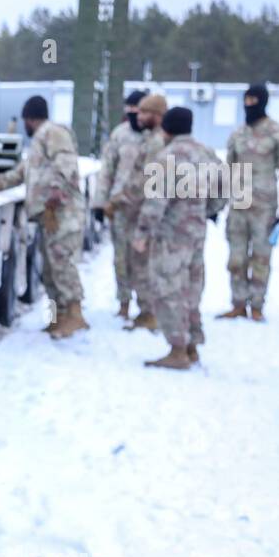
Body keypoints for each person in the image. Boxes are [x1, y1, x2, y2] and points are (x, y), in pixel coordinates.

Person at [133, 106, 227, 369]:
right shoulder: (206, 153)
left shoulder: (166, 157)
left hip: (171, 234)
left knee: (168, 288)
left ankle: (177, 349)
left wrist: (142, 233)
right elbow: (225, 186)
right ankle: (192, 345)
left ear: (167, 129)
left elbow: (155, 201)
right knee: (192, 287)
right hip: (197, 232)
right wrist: (208, 210)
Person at [0, 96, 86, 337]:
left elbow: (66, 164)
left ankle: (75, 315)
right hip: (48, 217)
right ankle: (56, 318)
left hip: (61, 214)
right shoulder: (38, 145)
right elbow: (19, 175)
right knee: (50, 271)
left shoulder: (53, 132)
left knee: (62, 265)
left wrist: (53, 198)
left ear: (30, 119)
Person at [218, 83, 279, 322]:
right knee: (236, 258)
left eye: (254, 100)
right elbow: (227, 171)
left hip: (264, 208)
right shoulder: (237, 135)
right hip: (238, 206)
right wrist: (217, 202)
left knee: (261, 257)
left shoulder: (278, 135)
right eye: (246, 100)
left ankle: (257, 305)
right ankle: (238, 303)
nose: (249, 105)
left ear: (263, 102)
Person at [97, 90, 148, 319]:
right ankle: (124, 303)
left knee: (144, 258)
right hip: (119, 207)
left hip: (147, 209)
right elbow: (107, 170)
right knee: (121, 258)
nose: (132, 114)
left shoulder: (156, 137)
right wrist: (100, 202)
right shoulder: (120, 135)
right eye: (128, 109)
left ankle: (147, 306)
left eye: (136, 109)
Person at [121, 93, 168, 331]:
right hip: (138, 210)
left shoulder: (158, 144)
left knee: (144, 263)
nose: (137, 116)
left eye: (143, 112)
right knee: (138, 262)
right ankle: (146, 310)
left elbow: (152, 184)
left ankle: (150, 312)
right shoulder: (151, 140)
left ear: (157, 116)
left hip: (148, 213)